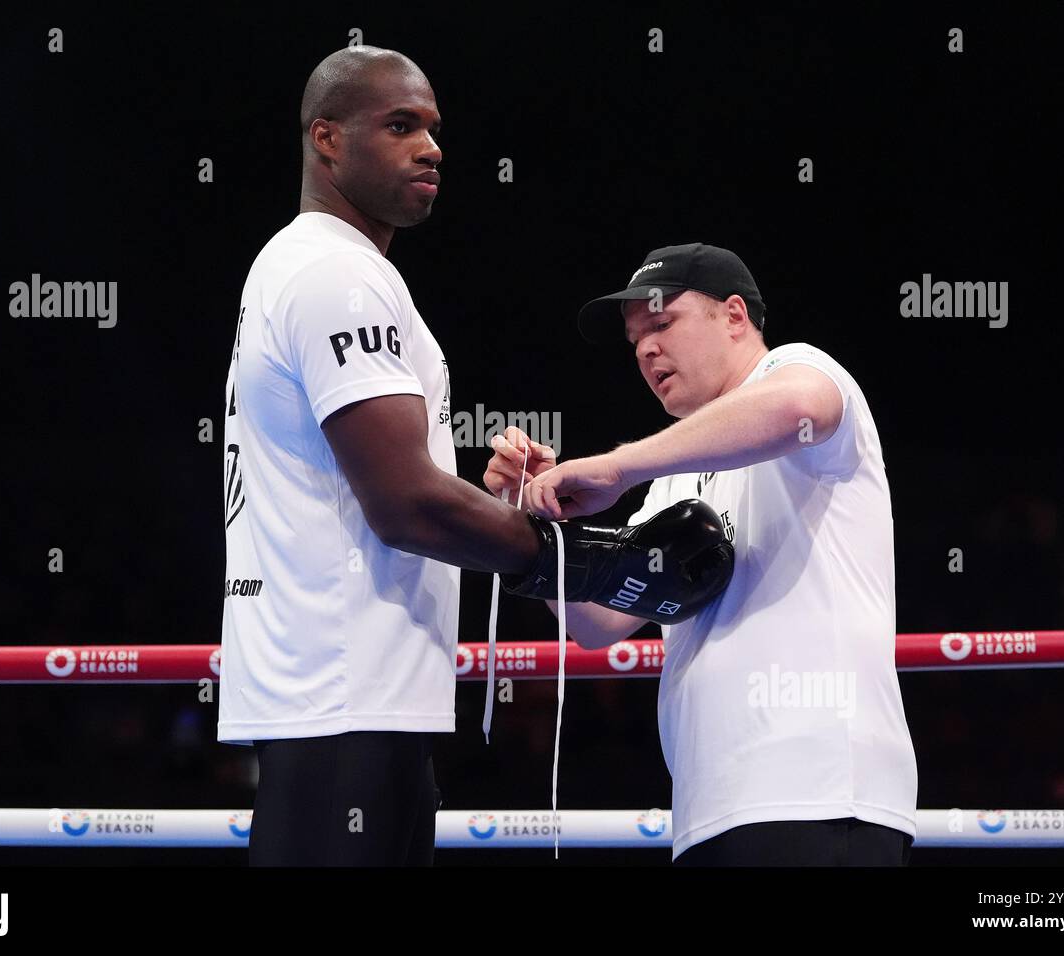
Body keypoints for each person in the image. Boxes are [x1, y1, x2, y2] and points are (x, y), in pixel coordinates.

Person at [218, 48, 731, 866]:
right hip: (345, 695)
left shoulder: (309, 268)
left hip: (342, 693)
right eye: (399, 125)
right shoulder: (336, 275)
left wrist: (519, 518)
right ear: (326, 138)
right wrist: (587, 562)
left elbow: (389, 491)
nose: (431, 147)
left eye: (433, 129)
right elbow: (405, 505)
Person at [485, 243, 918, 865]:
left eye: (662, 324)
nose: (645, 350)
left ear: (735, 316)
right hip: (710, 811)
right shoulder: (672, 482)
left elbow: (798, 407)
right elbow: (596, 625)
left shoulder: (802, 370)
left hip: (819, 794)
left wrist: (616, 466)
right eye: (635, 340)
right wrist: (526, 517)